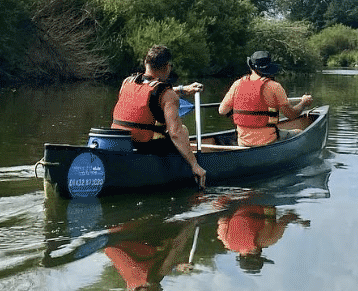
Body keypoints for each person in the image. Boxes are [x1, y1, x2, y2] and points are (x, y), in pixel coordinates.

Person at [112, 43, 207, 188]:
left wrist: (182, 90)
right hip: (144, 146)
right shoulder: (168, 95)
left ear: (146, 63)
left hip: (119, 143)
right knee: (183, 130)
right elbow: (175, 133)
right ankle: (189, 165)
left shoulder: (127, 82)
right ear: (167, 67)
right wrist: (195, 165)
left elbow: (149, 91)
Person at [217, 51, 314, 147]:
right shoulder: (275, 87)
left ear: (251, 67)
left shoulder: (237, 84)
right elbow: (292, 115)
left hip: (243, 143)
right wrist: (303, 103)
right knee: (299, 132)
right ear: (269, 68)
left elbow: (222, 110)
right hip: (268, 142)